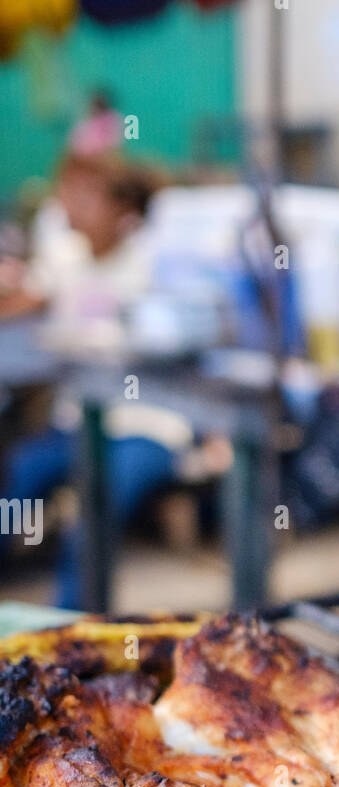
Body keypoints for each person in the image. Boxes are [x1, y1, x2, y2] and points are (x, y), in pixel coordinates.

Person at [0, 153, 182, 607]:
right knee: (18, 480)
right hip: (79, 425)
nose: (70, 207)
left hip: (145, 428)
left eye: (85, 197)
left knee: (93, 514)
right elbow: (28, 296)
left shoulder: (154, 262)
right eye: (67, 196)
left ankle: (70, 632)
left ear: (121, 209)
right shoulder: (63, 257)